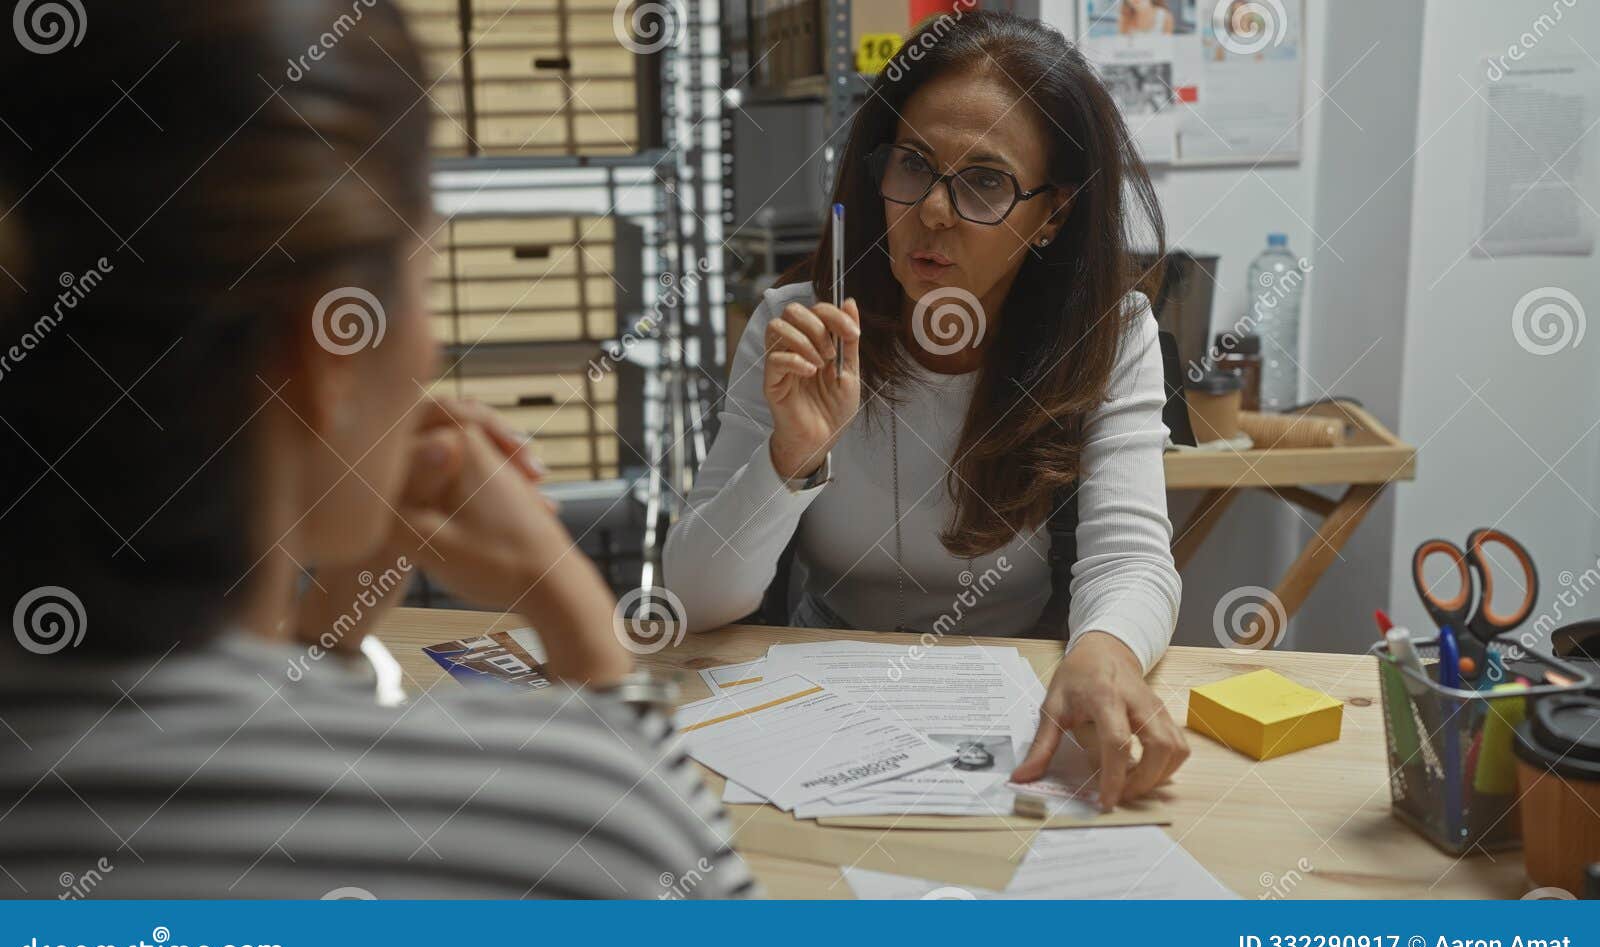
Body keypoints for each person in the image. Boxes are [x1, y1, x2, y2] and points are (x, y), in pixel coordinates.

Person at [0, 0, 753, 899]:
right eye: (425, 276)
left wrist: (331, 629)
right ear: (329, 350)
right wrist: (584, 632)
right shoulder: (573, 821)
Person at [663, 12, 1188, 809]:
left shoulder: (1107, 338)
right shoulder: (798, 326)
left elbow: (1130, 558)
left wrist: (1104, 653)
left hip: (1019, 701)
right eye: (913, 164)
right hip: (821, 714)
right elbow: (696, 598)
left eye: (985, 181)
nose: (933, 212)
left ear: (1052, 215)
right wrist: (789, 458)